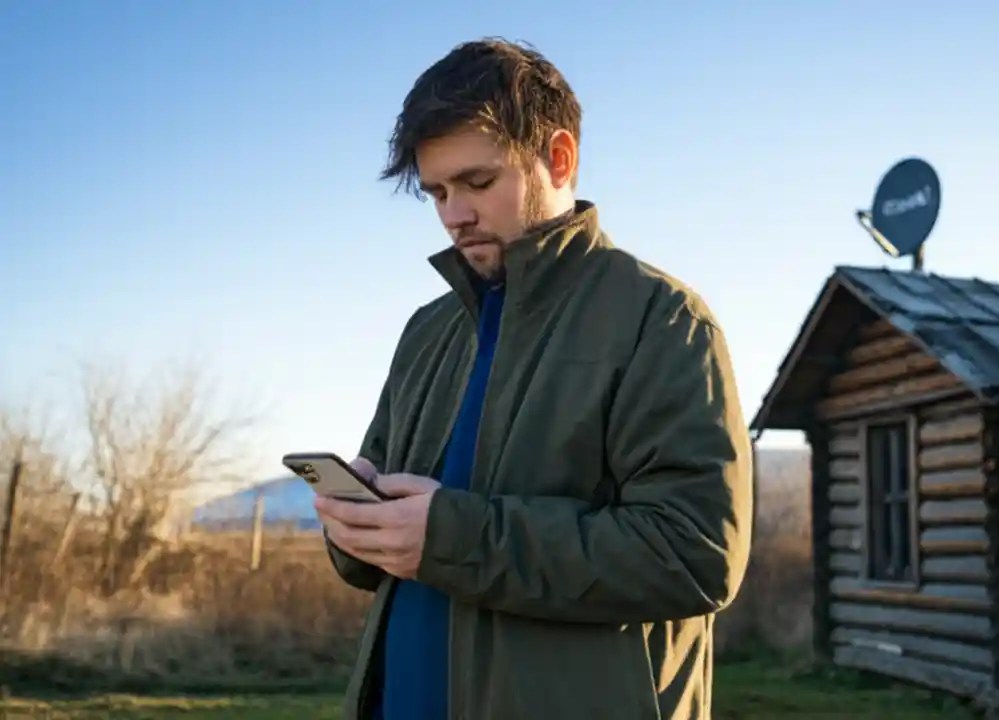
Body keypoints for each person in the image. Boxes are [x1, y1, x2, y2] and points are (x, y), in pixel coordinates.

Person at [313, 37, 753, 720]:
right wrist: (356, 529)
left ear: (559, 157)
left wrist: (452, 536)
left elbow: (694, 554)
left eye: (478, 182)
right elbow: (397, 553)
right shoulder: (428, 331)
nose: (454, 214)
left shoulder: (663, 321)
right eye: (437, 193)